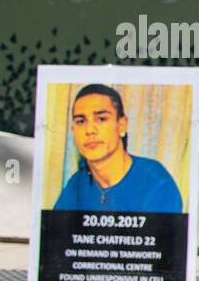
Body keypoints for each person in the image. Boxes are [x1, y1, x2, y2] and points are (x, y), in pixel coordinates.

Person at [53, 84, 184, 213]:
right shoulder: (77, 183)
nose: (89, 130)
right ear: (73, 130)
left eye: (101, 119)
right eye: (81, 121)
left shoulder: (155, 182)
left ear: (121, 125)